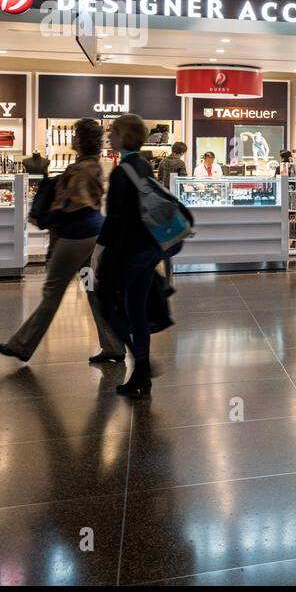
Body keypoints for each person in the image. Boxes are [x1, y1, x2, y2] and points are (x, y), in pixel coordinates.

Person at [0, 118, 125, 363]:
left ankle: (22, 345)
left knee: (53, 291)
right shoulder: (96, 166)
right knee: (92, 290)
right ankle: (114, 345)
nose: (73, 138)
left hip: (74, 240)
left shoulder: (79, 170)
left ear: (81, 140)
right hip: (93, 237)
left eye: (76, 135)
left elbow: (70, 205)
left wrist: (46, 214)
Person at [93, 113, 168, 398]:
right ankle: (142, 371)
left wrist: (99, 251)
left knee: (110, 307)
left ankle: (143, 365)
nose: (109, 136)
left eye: (113, 132)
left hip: (128, 252)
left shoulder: (123, 171)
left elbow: (114, 220)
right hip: (146, 250)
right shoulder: (143, 165)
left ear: (124, 136)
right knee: (135, 309)